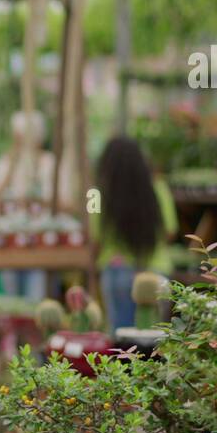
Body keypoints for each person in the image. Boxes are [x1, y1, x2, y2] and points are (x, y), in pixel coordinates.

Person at [92, 136, 178, 333]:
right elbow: (170, 231)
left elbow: (94, 236)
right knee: (154, 341)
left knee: (122, 341)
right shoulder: (159, 188)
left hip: (116, 269)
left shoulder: (95, 194)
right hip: (156, 271)